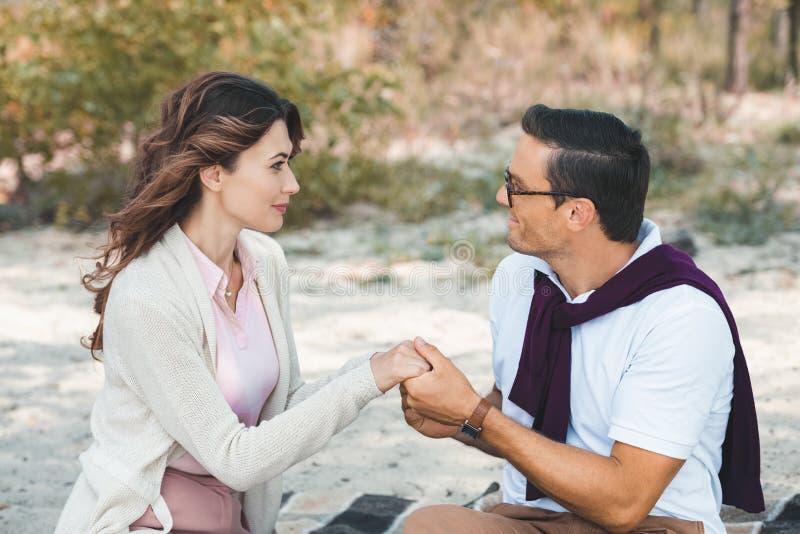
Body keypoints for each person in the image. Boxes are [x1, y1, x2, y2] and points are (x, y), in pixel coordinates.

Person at [55, 71, 430, 534]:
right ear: (214, 173)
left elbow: (283, 407)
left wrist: (376, 367)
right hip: (144, 522)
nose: (292, 184)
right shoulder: (148, 296)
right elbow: (236, 459)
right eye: (276, 166)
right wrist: (368, 380)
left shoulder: (264, 262)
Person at [400, 105, 764, 534]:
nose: (501, 197)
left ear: (577, 213)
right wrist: (454, 417)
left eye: (517, 188)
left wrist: (476, 415)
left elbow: (624, 504)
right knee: (431, 525)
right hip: (538, 520)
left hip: (650, 526)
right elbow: (512, 413)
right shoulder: (520, 278)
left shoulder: (679, 315)